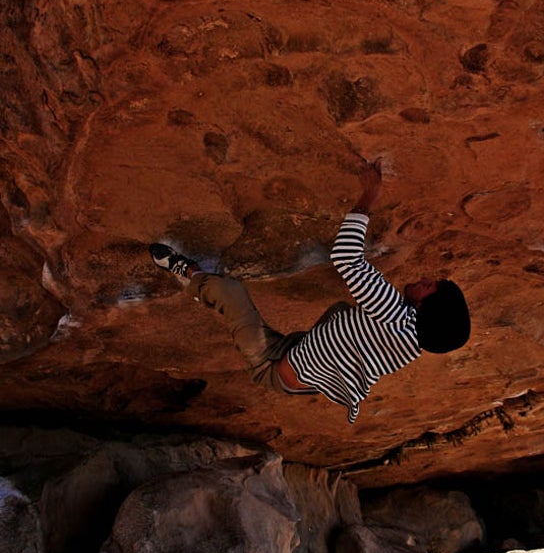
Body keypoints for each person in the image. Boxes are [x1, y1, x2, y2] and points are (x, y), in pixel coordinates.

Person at [149, 159, 470, 423]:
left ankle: (187, 273)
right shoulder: (414, 343)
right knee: (342, 312)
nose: (425, 278)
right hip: (304, 362)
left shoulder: (393, 314)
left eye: (431, 287)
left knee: (229, 291)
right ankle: (311, 356)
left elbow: (345, 257)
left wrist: (368, 197)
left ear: (424, 311)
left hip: (271, 365)